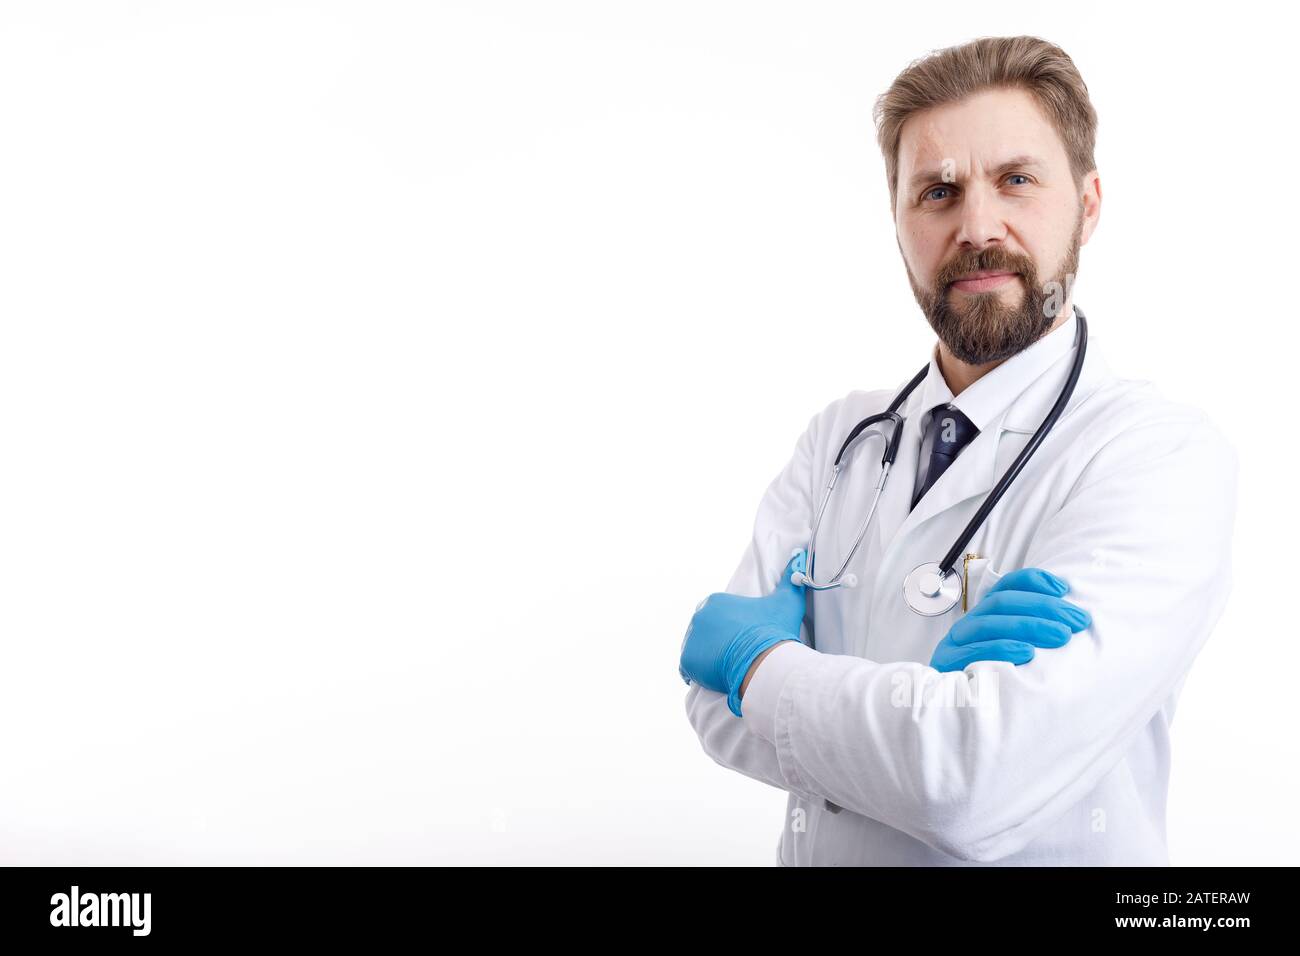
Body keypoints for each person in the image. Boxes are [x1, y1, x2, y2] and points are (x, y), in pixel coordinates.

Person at [679, 35, 1238, 866]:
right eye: (937, 192)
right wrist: (928, 708)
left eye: (1016, 179)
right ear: (898, 223)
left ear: (1087, 204)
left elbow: (975, 782)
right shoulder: (841, 440)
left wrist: (760, 663)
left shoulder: (1157, 459)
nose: (977, 227)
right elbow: (711, 714)